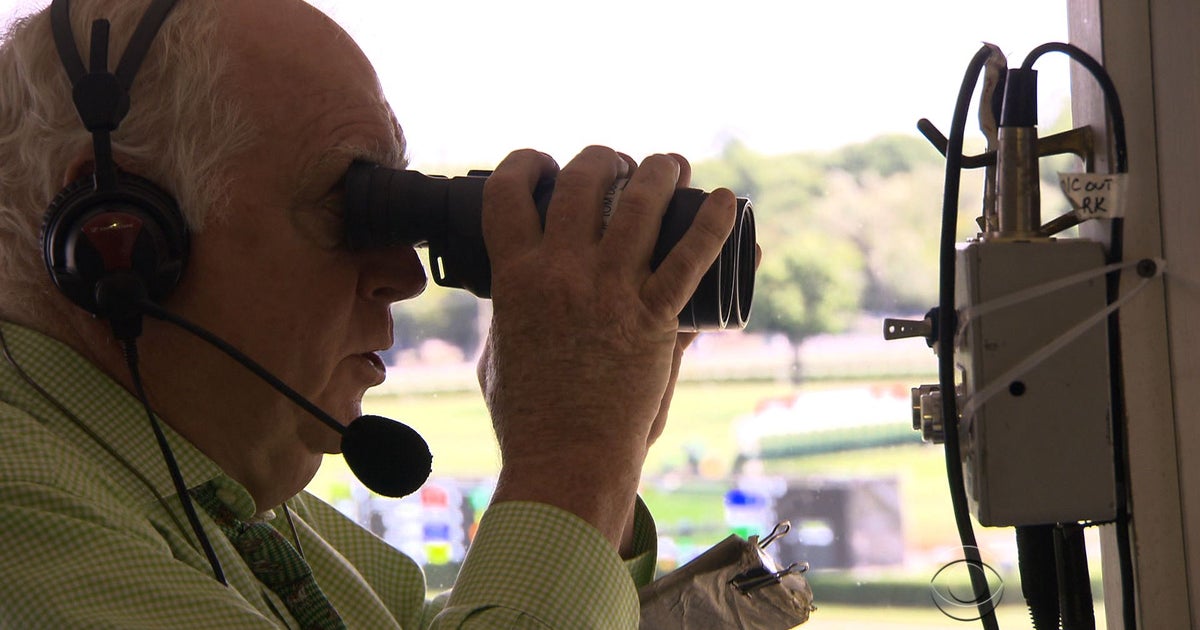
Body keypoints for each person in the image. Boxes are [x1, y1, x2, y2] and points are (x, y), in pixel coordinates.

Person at [0, 0, 737, 628]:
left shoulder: (201, 488)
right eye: (346, 207)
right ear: (116, 241)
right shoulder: (24, 518)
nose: (402, 275)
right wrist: (572, 459)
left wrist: (605, 442)